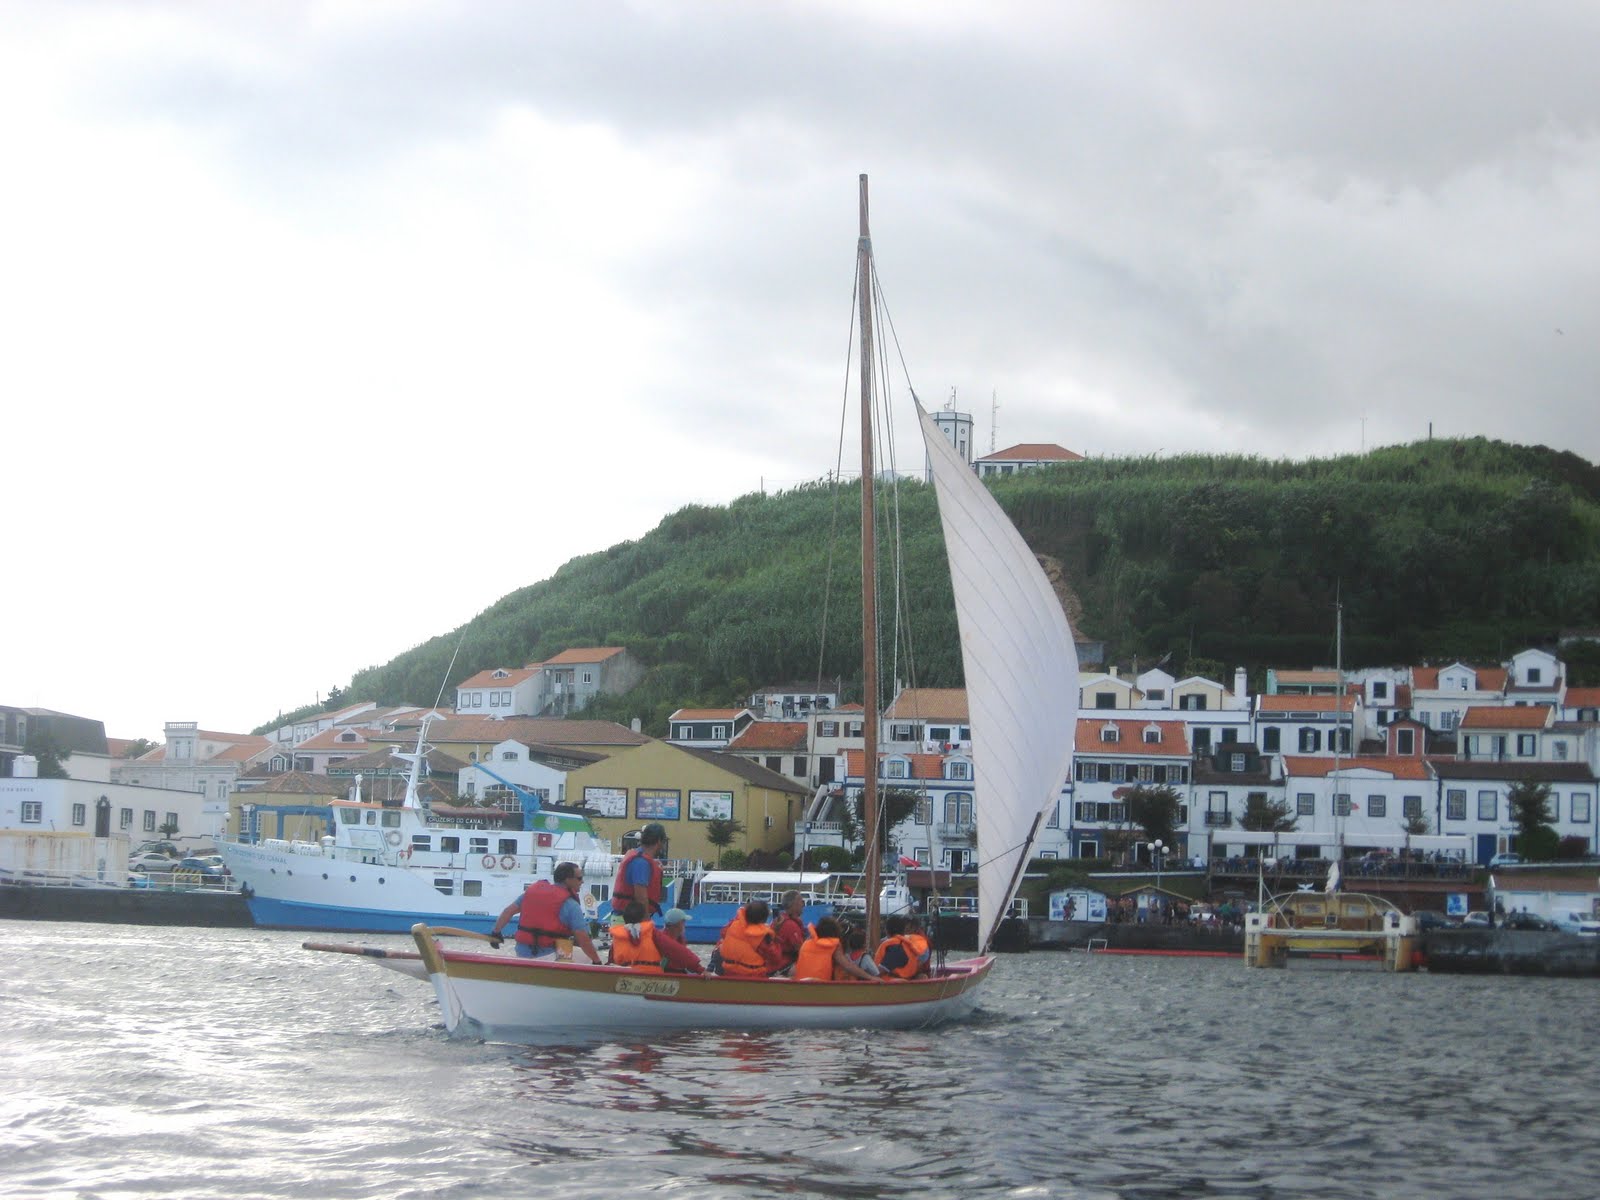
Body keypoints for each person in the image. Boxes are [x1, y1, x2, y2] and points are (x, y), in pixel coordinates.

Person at [489, 860, 601, 963]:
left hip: (522, 952)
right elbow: (583, 937)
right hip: (550, 955)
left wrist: (496, 932)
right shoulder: (570, 904)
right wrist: (597, 961)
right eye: (579, 878)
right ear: (568, 880)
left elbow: (508, 911)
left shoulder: (531, 893)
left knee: (573, 949)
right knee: (586, 957)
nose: (582, 881)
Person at [793, 917, 880, 982]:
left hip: (801, 985)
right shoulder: (834, 946)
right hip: (819, 987)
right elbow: (848, 966)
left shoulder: (806, 944)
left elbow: (795, 968)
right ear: (835, 932)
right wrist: (870, 977)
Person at [714, 899, 785, 977]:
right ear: (764, 919)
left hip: (729, 972)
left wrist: (740, 916)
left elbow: (723, 933)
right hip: (753, 976)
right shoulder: (762, 936)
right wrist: (775, 932)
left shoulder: (733, 925)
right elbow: (776, 958)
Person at [612, 822, 668, 917]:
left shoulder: (639, 858)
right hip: (630, 921)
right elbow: (641, 897)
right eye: (663, 842)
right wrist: (646, 922)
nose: (663, 846)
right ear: (659, 841)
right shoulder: (641, 862)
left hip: (627, 918)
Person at [608, 900, 662, 972]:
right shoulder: (654, 933)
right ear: (644, 918)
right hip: (653, 978)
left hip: (626, 979)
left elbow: (611, 962)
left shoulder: (617, 937)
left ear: (624, 918)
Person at [655, 907, 706, 975]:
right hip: (666, 974)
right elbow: (685, 958)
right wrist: (700, 970)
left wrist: (700, 970)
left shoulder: (680, 939)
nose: (685, 924)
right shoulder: (663, 940)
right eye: (683, 921)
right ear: (677, 924)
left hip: (678, 973)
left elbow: (685, 959)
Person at [874, 914, 925, 980]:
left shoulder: (895, 947)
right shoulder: (907, 944)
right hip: (906, 980)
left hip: (893, 982)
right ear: (903, 930)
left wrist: (865, 974)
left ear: (887, 930)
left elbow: (880, 972)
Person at [771, 889, 806, 970]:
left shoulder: (780, 920)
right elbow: (801, 950)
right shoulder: (790, 925)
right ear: (794, 904)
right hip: (783, 966)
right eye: (801, 901)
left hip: (776, 964)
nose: (803, 905)